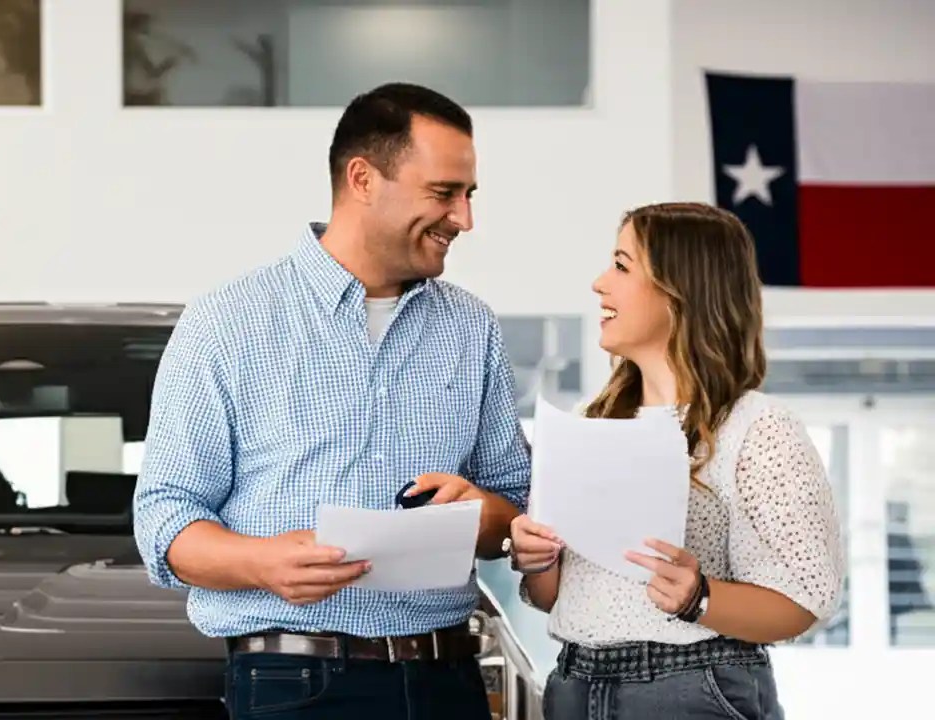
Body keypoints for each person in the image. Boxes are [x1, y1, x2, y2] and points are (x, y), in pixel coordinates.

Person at [132, 82, 532, 719]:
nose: (464, 218)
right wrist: (263, 563)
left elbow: (516, 506)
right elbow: (164, 520)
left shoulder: (471, 328)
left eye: (469, 195)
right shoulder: (228, 322)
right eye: (443, 194)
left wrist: (484, 510)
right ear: (363, 178)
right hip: (293, 684)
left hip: (446, 683)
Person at [507, 202, 846, 719]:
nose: (600, 283)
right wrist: (539, 560)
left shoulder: (757, 427)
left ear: (679, 291)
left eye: (622, 266)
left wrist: (701, 597)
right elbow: (559, 597)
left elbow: (804, 600)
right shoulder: (589, 421)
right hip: (574, 687)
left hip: (693, 687)